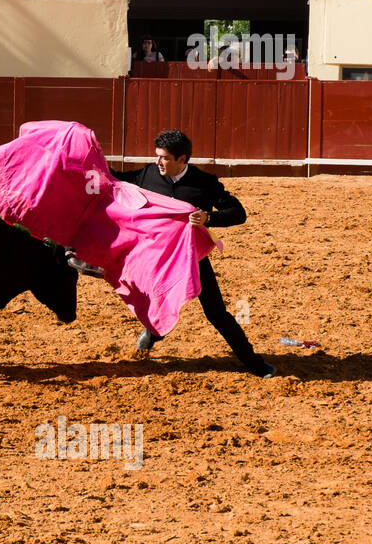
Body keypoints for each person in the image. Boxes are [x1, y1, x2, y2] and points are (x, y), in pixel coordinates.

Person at [110, 129, 275, 378]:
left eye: (164, 158)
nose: (158, 163)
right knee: (155, 302)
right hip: (157, 258)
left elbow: (238, 213)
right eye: (157, 156)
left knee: (216, 312)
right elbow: (115, 181)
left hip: (191, 257)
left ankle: (253, 362)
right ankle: (154, 332)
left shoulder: (204, 182)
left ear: (182, 159)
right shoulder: (148, 175)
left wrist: (209, 218)